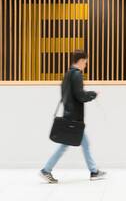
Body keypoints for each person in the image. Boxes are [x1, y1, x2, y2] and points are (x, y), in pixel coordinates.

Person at [40, 49, 106, 183]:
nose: (86, 65)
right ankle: (46, 170)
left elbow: (67, 95)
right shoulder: (77, 75)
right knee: (66, 145)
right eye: (85, 62)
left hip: (69, 114)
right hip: (74, 118)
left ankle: (94, 171)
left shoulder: (67, 74)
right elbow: (80, 96)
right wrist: (93, 94)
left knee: (83, 144)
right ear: (81, 61)